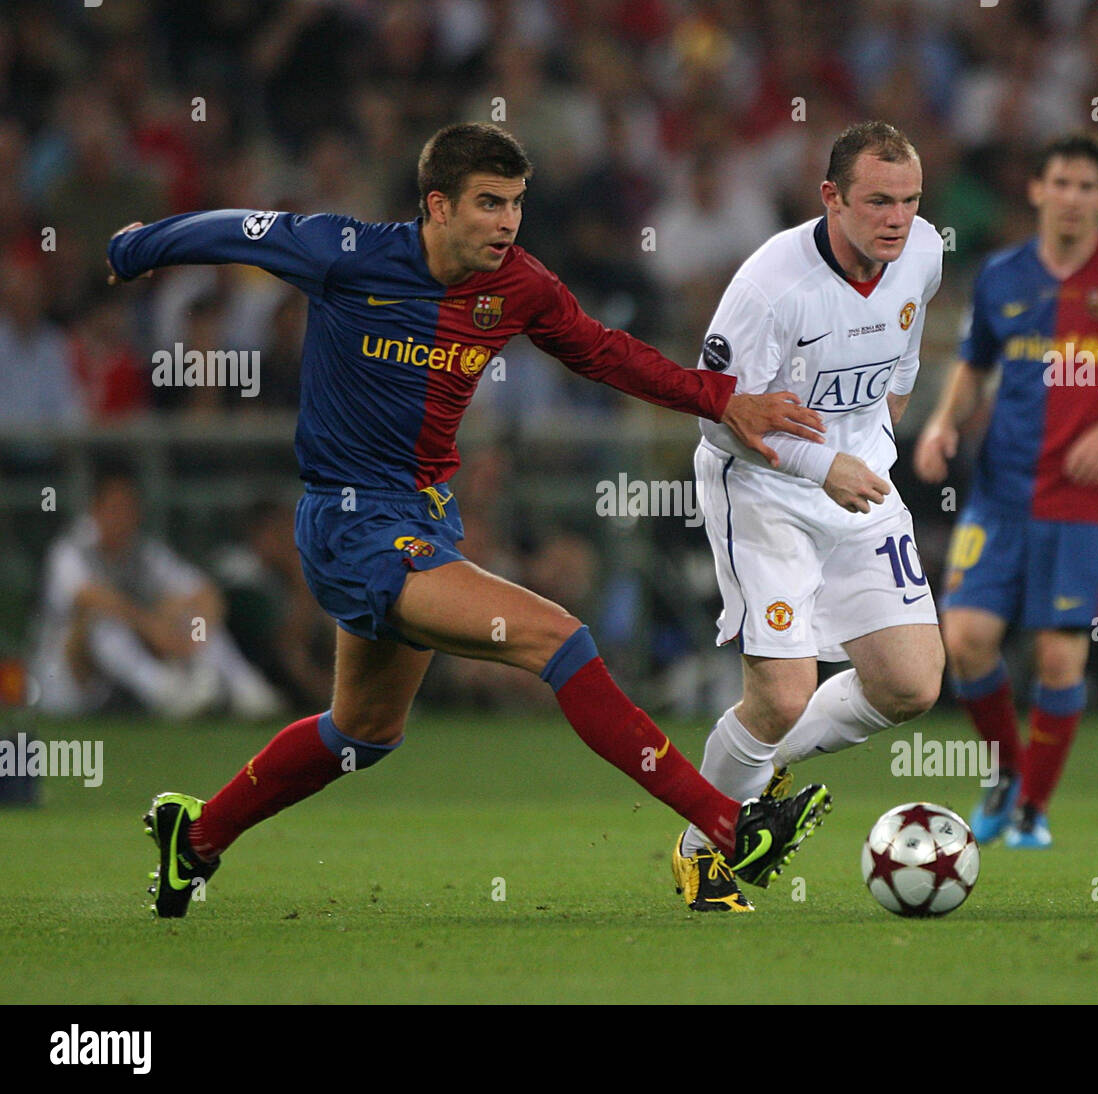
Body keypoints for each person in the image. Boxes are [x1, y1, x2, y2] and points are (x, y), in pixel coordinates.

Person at [105, 122, 832, 918]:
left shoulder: (519, 286)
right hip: (351, 524)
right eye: (488, 204)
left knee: (364, 731)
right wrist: (139, 248)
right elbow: (243, 231)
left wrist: (722, 397)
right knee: (559, 637)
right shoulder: (347, 253)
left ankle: (196, 838)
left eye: (516, 204)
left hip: (423, 520)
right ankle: (728, 827)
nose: (506, 223)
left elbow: (607, 352)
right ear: (437, 205)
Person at [673, 121, 946, 912]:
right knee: (784, 691)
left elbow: (907, 341)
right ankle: (704, 845)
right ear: (830, 197)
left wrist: (882, 420)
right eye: (876, 202)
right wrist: (824, 465)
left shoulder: (922, 250)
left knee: (910, 683)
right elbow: (716, 419)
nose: (896, 219)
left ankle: (753, 774)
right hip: (764, 492)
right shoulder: (769, 288)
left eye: (909, 200)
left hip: (861, 484)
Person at [914, 132, 1098, 848]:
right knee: (966, 640)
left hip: (1081, 500)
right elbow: (973, 365)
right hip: (1001, 491)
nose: (1071, 197)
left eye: (1085, 186)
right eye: (1059, 182)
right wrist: (944, 422)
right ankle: (1006, 771)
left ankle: (1034, 808)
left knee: (1060, 658)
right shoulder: (1001, 276)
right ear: (1037, 190)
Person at [33, 463, 281, 720]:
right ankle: (166, 691)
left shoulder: (143, 551)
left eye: (129, 508)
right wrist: (153, 625)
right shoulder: (70, 548)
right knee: (103, 622)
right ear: (95, 510)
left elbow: (205, 592)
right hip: (67, 682)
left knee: (190, 615)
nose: (123, 517)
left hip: (120, 682)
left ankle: (244, 687)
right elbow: (90, 596)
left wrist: (191, 633)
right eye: (115, 508)